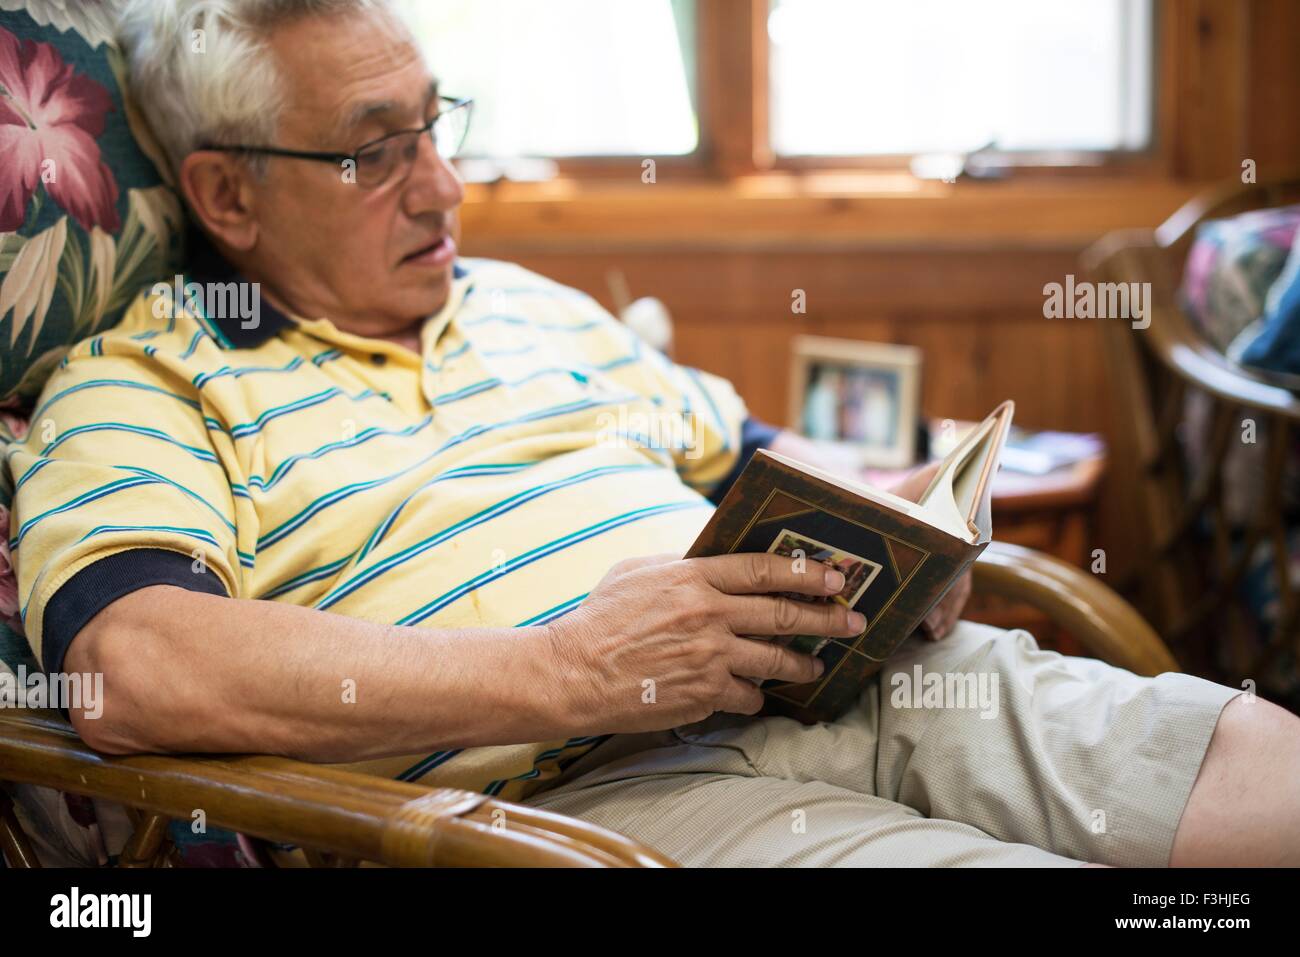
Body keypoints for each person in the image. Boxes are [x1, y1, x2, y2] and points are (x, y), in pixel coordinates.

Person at [9, 0, 1298, 867]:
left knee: (1254, 768)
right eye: (373, 152)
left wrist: (906, 524)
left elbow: (763, 463)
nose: (446, 186)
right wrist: (565, 669)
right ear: (225, 192)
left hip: (850, 678)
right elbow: (136, 668)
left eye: (436, 124)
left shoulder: (530, 307)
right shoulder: (141, 380)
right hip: (582, 795)